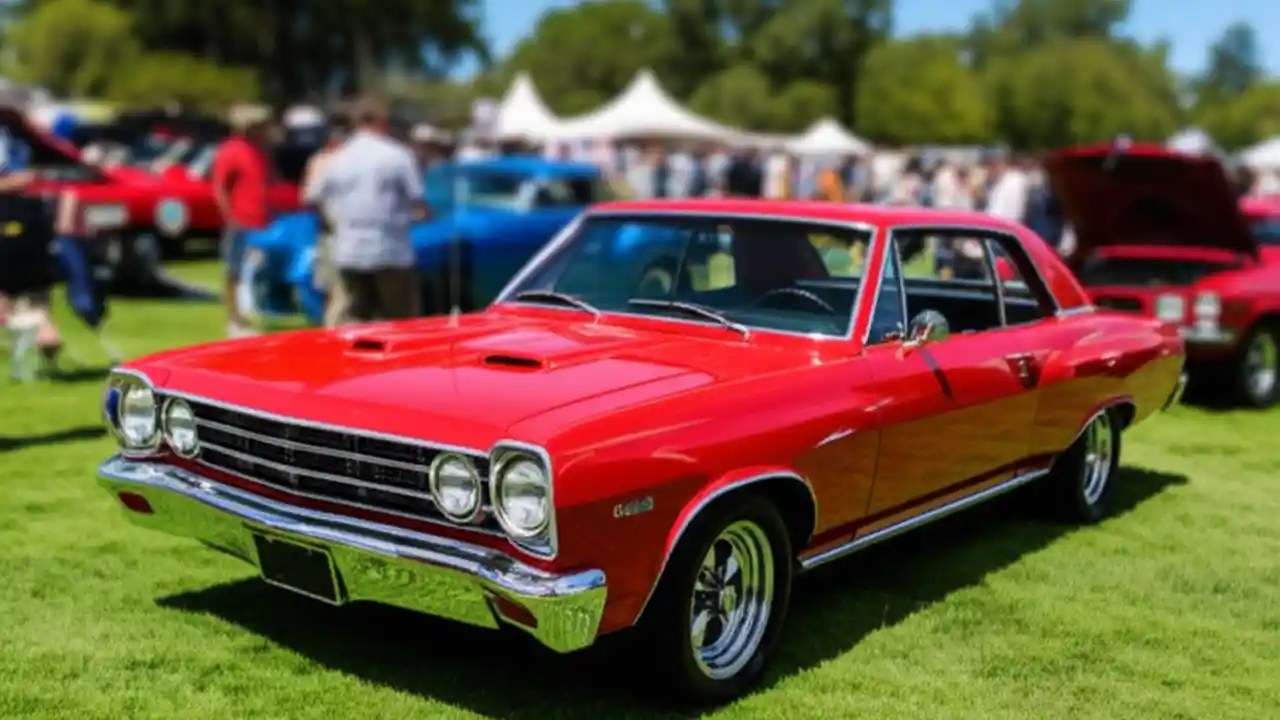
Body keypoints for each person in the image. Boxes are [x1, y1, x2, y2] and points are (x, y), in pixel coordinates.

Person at [305, 97, 429, 325]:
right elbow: (418, 198)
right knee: (399, 322)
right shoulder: (396, 154)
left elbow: (313, 195)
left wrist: (335, 217)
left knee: (357, 320)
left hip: (349, 250)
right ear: (381, 121)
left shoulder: (339, 157)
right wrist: (417, 216)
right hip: (390, 249)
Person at [211, 105, 275, 338]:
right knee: (235, 271)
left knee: (253, 271)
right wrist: (229, 217)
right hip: (240, 221)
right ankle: (234, 318)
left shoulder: (259, 152)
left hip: (260, 222)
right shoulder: (231, 150)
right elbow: (220, 187)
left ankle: (250, 314)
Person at [302, 119, 350, 328]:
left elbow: (307, 196)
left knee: (337, 291)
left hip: (336, 233)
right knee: (338, 291)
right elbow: (309, 196)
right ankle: (332, 331)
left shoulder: (323, 161)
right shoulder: (323, 161)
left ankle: (332, 329)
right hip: (333, 233)